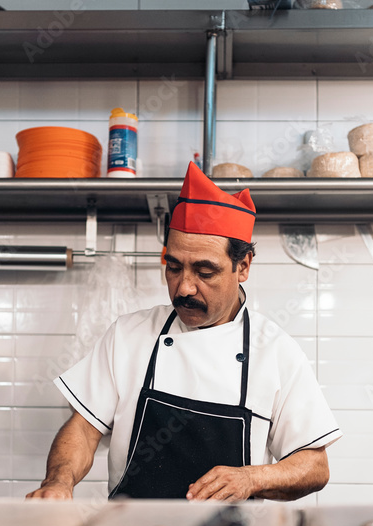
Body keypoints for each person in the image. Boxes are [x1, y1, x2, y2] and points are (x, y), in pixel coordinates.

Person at [27, 162, 341, 501]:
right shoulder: (129, 336)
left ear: (244, 266)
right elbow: (83, 431)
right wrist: (58, 482)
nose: (185, 288)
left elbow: (314, 466)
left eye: (205, 272)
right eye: (174, 267)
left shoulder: (276, 353)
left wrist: (252, 478)